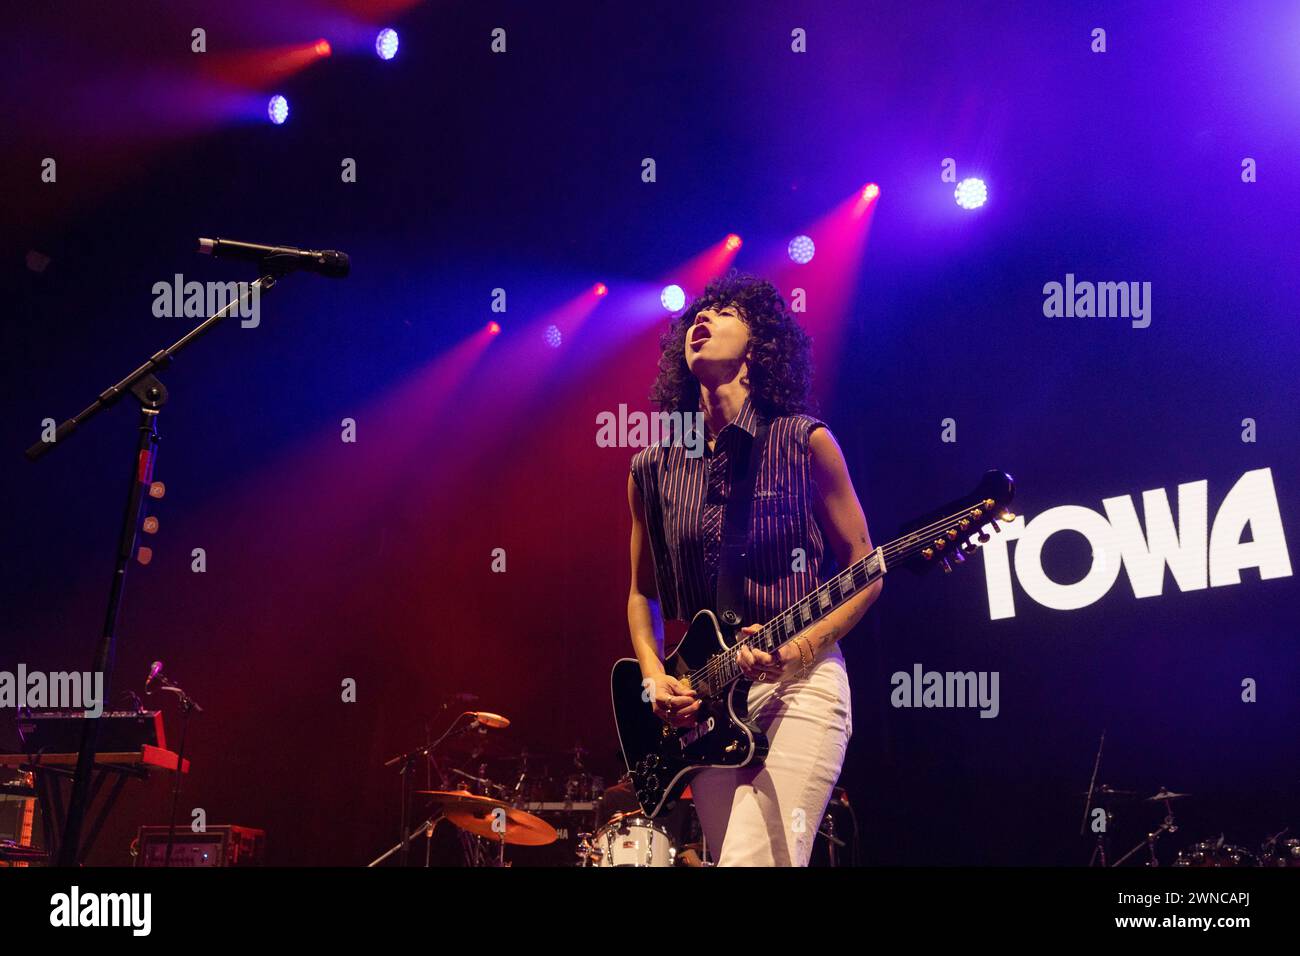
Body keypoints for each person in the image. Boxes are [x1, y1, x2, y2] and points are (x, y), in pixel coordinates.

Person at [626, 271, 883, 866]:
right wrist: (653, 676)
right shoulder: (651, 468)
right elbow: (642, 594)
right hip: (708, 704)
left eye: (725, 312)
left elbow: (866, 568)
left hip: (800, 683)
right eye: (699, 311)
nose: (703, 319)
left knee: (750, 860)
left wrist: (799, 649)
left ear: (758, 348)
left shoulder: (804, 442)